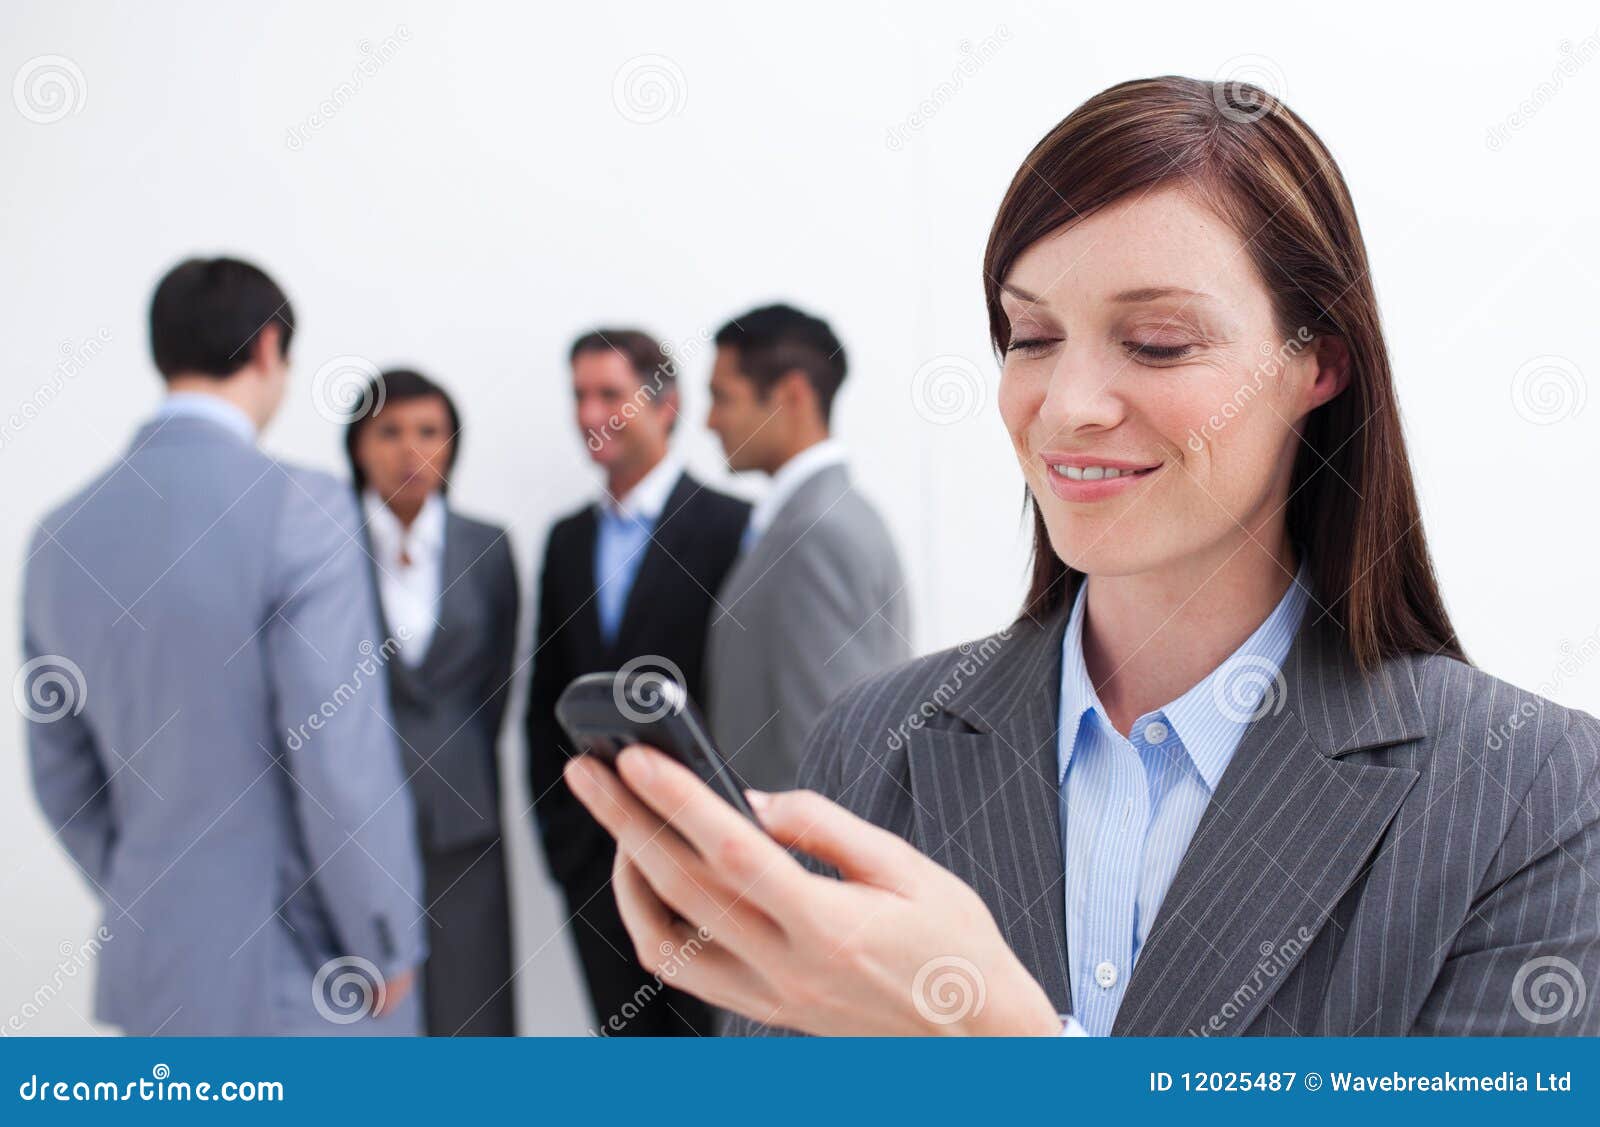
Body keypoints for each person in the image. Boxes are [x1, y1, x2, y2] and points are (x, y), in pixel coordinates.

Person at [563, 77, 1600, 1037]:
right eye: (1030, 336)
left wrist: (999, 1047)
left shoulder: (1533, 793)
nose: (1065, 408)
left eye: (1155, 342)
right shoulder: (873, 746)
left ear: (1317, 361)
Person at [20, 257, 426, 1035]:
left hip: (154, 971)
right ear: (270, 348)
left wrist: (154, 894)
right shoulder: (303, 508)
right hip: (303, 976)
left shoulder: (57, 536)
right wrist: (383, 939)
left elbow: (61, 775)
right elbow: (338, 757)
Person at [526, 329, 749, 1035]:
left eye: (610, 395)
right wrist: (565, 847)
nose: (591, 414)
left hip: (700, 851)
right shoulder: (566, 538)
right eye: (580, 396)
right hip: (593, 861)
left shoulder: (730, 526)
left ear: (666, 404)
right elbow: (544, 702)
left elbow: (739, 694)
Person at [345, 368, 519, 1036]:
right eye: (388, 432)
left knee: (471, 1005)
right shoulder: (329, 545)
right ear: (359, 445)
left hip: (461, 815)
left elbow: (494, 689)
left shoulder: (487, 547)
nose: (409, 451)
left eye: (428, 432)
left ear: (452, 445)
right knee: (368, 1013)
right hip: (356, 813)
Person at [704, 304, 911, 792]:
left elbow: (836, 761)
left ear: (791, 394)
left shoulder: (819, 534)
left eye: (722, 397)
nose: (709, 421)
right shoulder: (814, 520)